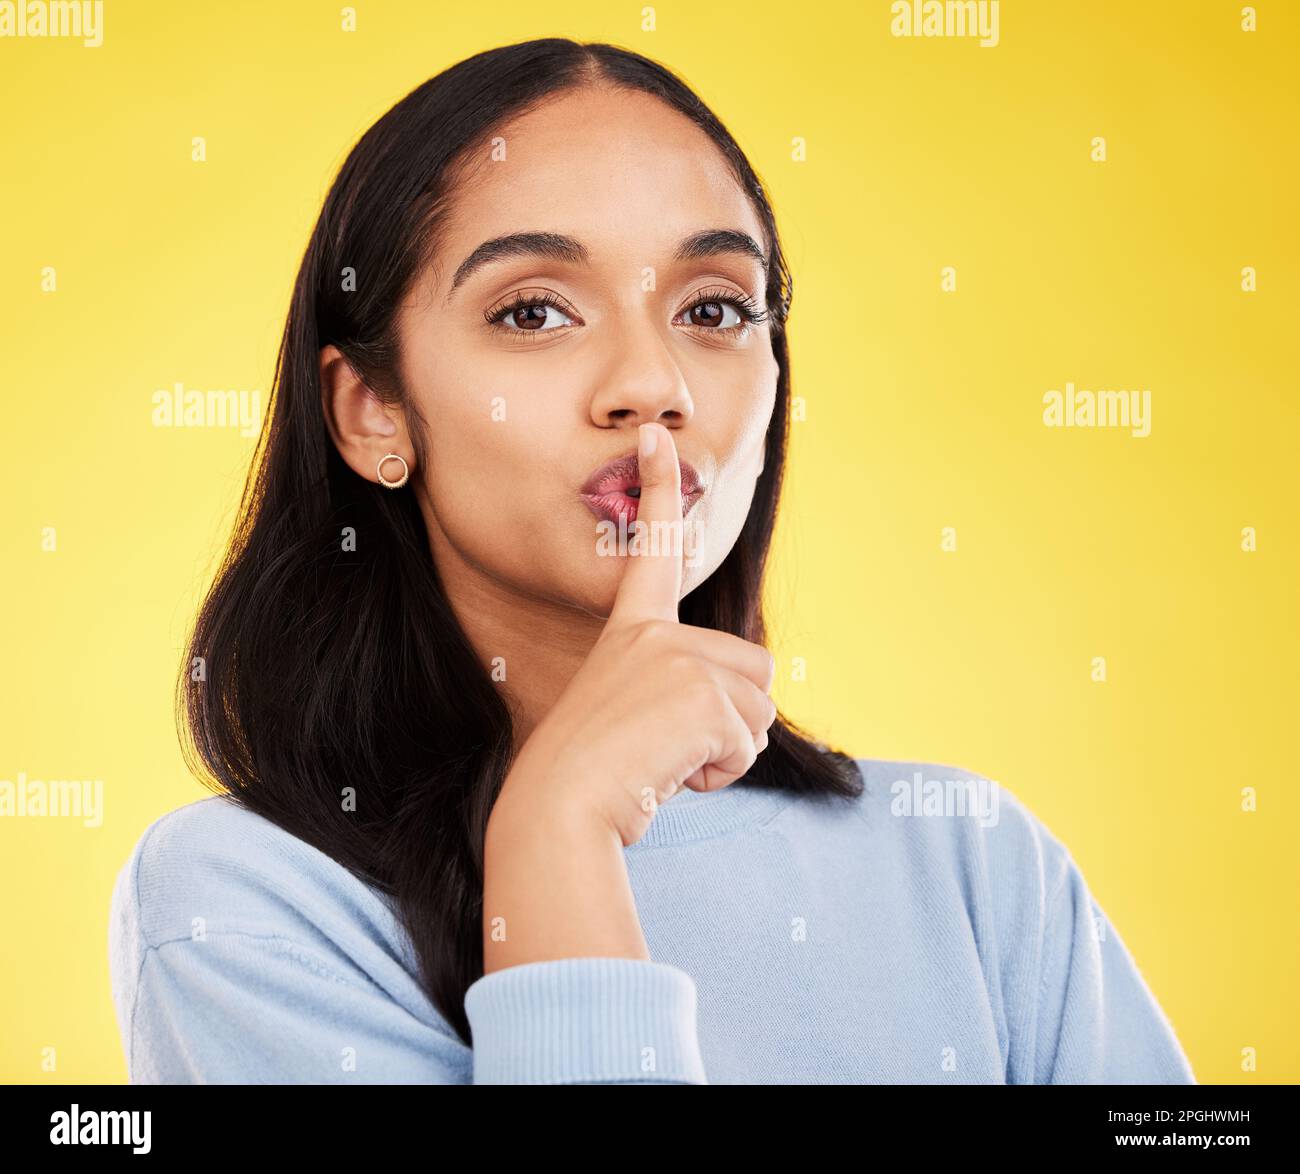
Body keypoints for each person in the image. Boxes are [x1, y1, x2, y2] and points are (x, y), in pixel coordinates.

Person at [108, 38, 1196, 1085]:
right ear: (372, 412)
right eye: (534, 310)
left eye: (712, 308)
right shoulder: (245, 904)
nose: (651, 383)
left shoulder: (972, 865)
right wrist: (555, 833)